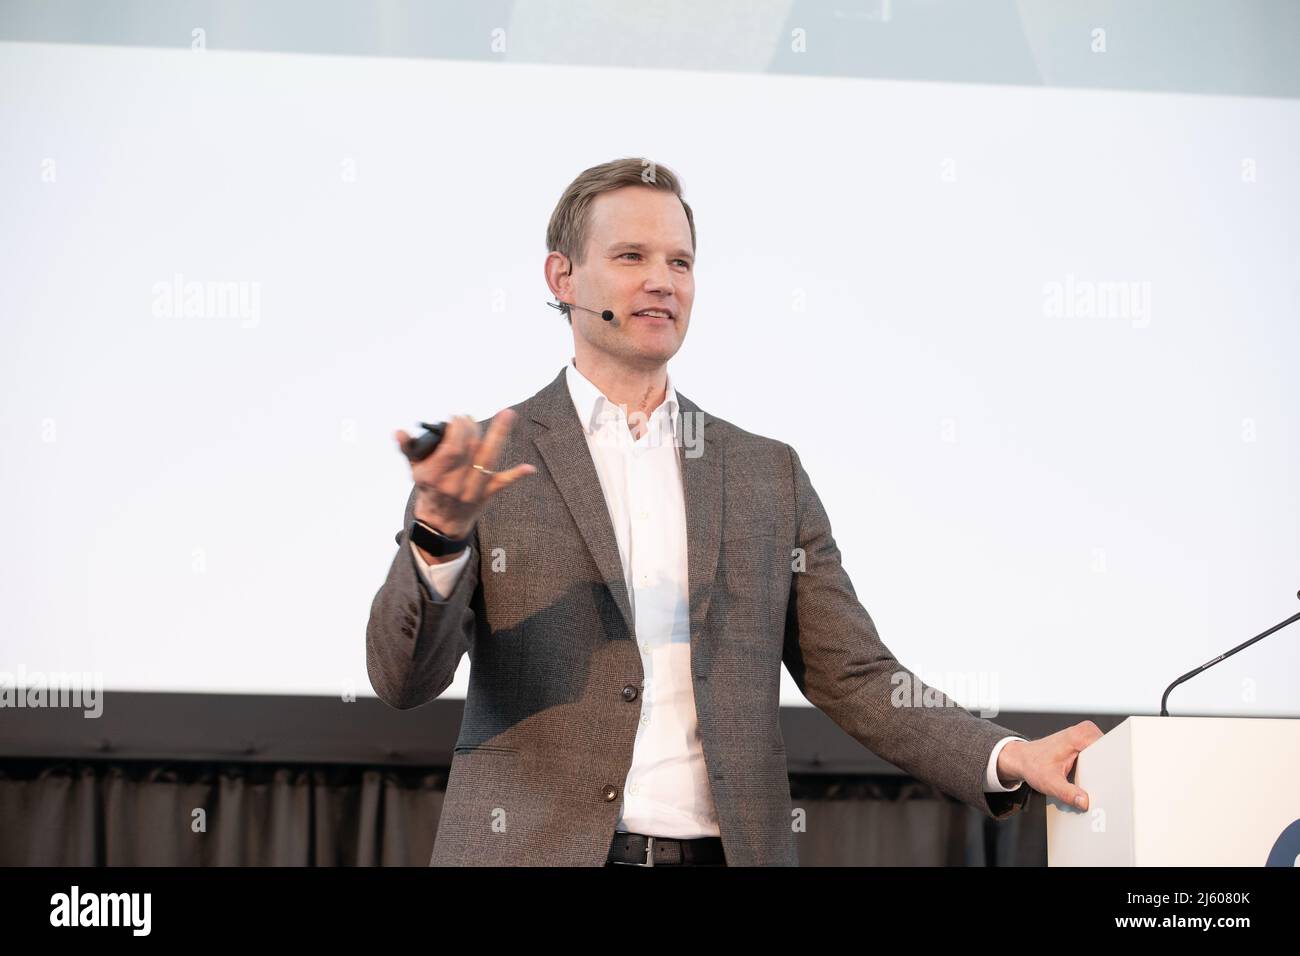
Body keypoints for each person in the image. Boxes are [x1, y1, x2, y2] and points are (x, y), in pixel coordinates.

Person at [366, 157, 1102, 866]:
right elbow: (403, 681)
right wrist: (439, 538)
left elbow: (854, 673)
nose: (661, 281)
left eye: (680, 263)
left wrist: (1004, 754)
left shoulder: (764, 473)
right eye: (630, 256)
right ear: (562, 275)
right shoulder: (485, 462)